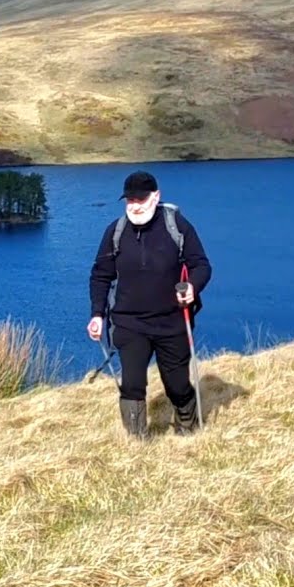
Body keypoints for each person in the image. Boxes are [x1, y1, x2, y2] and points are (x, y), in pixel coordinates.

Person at [88, 170, 212, 438]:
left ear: (156, 197)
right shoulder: (116, 232)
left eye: (141, 200)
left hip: (172, 321)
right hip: (130, 323)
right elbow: (101, 275)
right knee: (132, 384)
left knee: (177, 385)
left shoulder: (177, 226)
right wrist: (97, 314)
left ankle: (187, 429)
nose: (135, 206)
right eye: (130, 201)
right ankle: (136, 443)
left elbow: (201, 265)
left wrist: (192, 287)